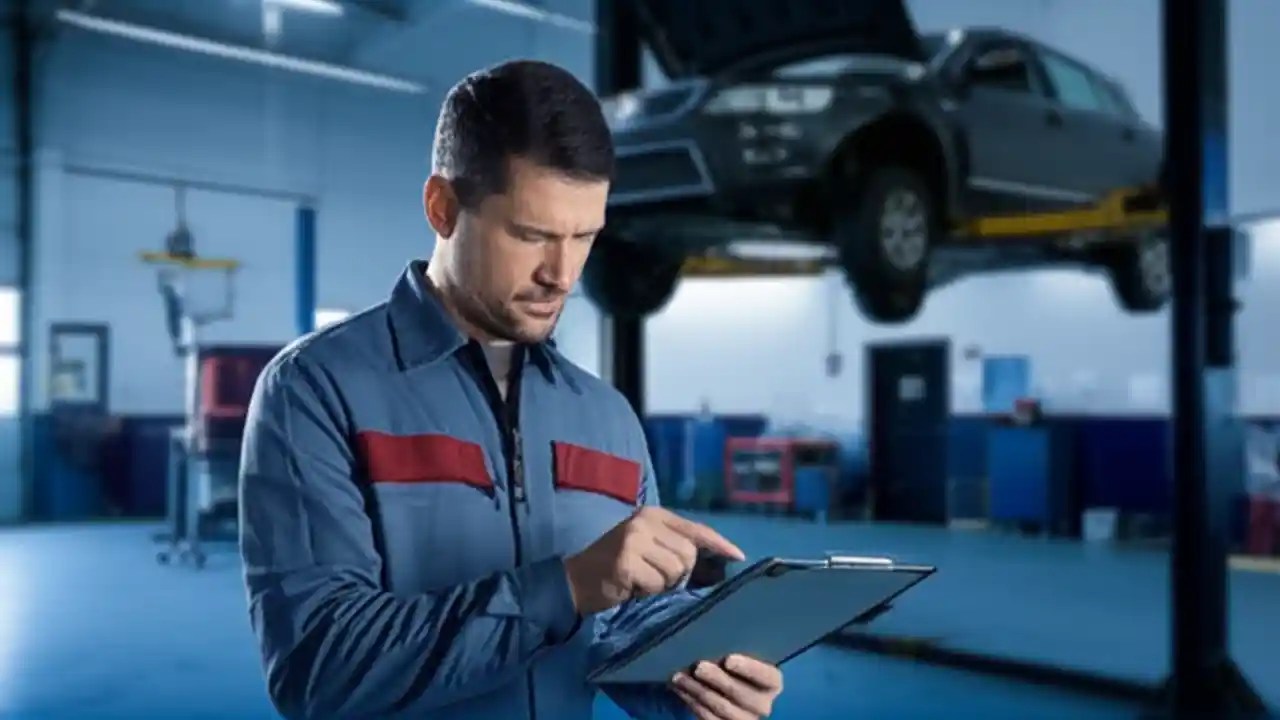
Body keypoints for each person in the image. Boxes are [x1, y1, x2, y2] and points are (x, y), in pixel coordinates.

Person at [238, 59, 785, 720]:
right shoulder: (316, 391)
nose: (561, 273)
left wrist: (703, 684)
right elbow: (320, 668)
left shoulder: (606, 417)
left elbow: (616, 630)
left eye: (584, 236)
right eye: (531, 235)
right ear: (442, 207)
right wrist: (568, 586)